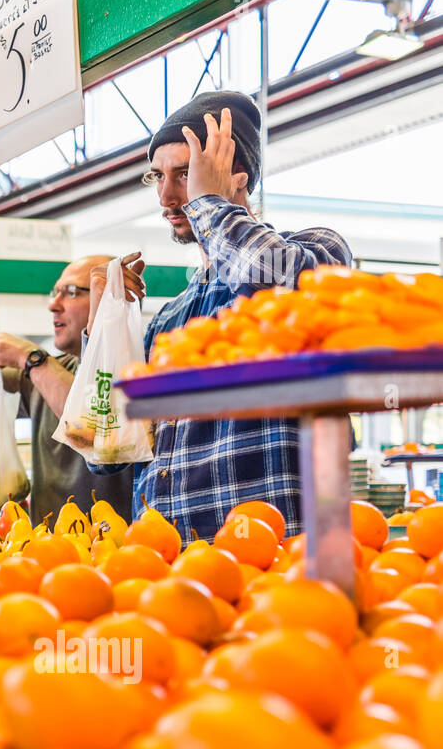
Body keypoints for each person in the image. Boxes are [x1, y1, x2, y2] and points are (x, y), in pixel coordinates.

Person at [86, 91, 352, 539]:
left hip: (274, 561)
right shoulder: (169, 320)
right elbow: (107, 451)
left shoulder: (318, 251)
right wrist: (103, 336)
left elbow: (274, 278)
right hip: (168, 569)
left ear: (238, 178)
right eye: (158, 176)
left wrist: (208, 202)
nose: (167, 196)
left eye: (184, 174)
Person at [0, 256, 135, 525]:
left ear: (109, 297)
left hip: (119, 555)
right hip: (45, 552)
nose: (53, 305)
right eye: (54, 293)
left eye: (70, 292)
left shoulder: (138, 373)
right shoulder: (45, 372)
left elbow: (89, 426)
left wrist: (30, 356)